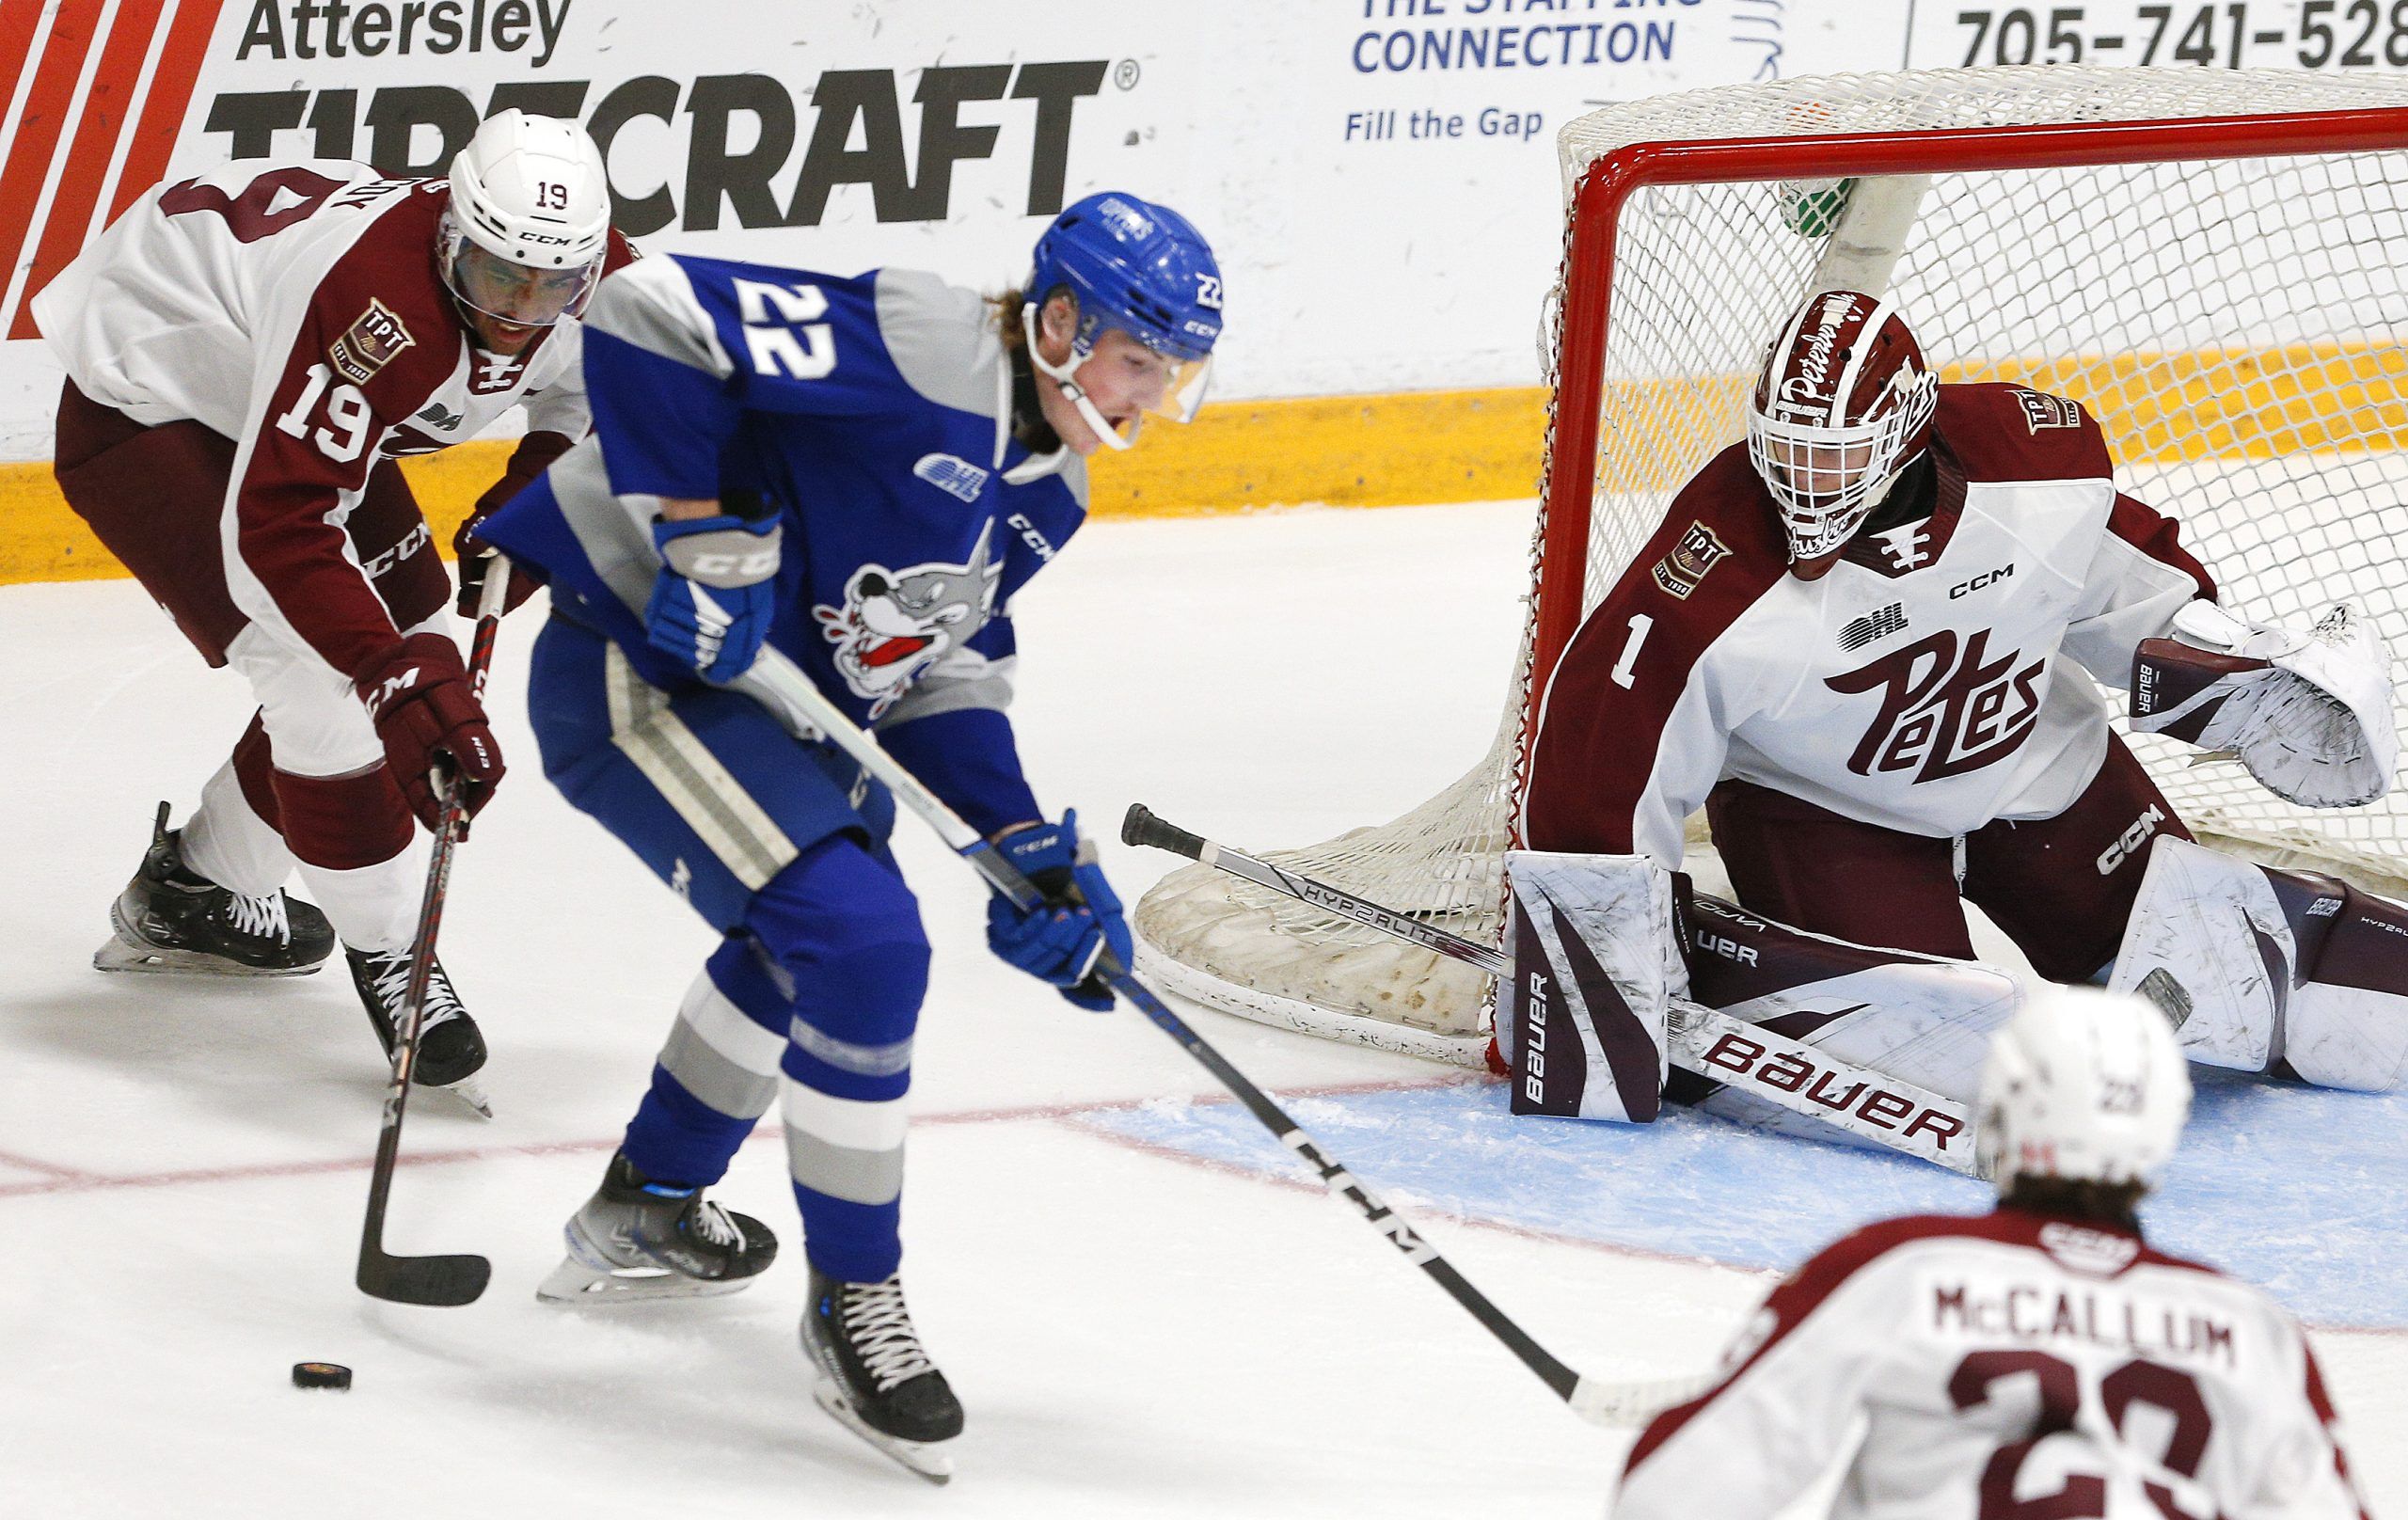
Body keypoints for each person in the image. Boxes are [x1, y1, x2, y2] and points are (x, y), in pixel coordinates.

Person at [474, 191, 1223, 1480]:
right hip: (635, 665)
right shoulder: (927, 349)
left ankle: (646, 1207)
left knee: (814, 935)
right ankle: (853, 1302)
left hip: (773, 700)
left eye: (1171, 373)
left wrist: (1020, 839)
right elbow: (649, 310)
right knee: (864, 941)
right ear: (1059, 322)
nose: (1149, 397)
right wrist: (694, 529)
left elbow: (934, 660)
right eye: (1137, 360)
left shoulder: (1055, 486)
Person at [1505, 288, 2408, 1133]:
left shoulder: (2033, 464)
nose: (1806, 482)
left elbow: (2125, 588)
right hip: (1828, 813)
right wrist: (1586, 947)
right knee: (1932, 1050)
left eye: (1835, 456)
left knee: (2230, 963)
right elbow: (1603, 747)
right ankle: (1713, 975)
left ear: (1904, 430)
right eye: (1787, 452)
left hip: (2036, 771)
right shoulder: (1712, 569)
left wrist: (2228, 665)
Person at [35, 111, 635, 1101]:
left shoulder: (597, 282)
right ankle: (394, 953)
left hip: (271, 392)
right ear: (451, 234)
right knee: (323, 671)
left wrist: (535, 504)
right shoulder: (379, 311)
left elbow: (611, 393)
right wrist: (393, 682)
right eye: (497, 280)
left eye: (550, 288)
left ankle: (195, 887)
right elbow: (277, 532)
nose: (520, 313)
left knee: (414, 632)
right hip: (150, 400)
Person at [1610, 985, 2370, 1517]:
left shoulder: (1902, 1271)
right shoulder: (2247, 1327)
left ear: (2003, 1101)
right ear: (2162, 1130)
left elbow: (1674, 1496)